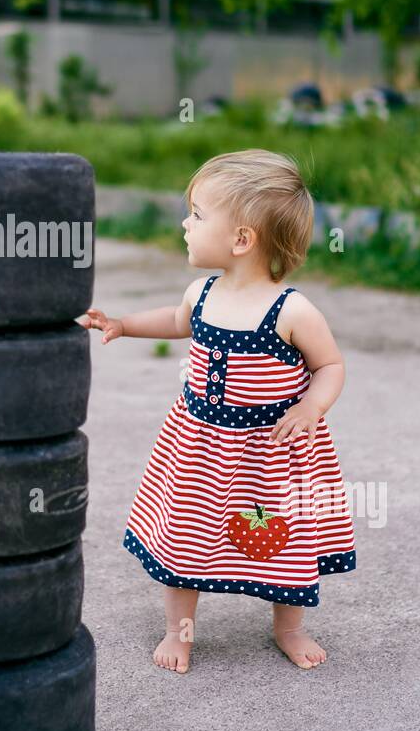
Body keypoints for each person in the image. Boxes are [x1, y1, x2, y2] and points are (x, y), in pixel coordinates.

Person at [82, 148, 355, 673]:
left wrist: (310, 407)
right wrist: (122, 323)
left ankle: (290, 628)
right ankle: (179, 632)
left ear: (242, 239)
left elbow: (331, 366)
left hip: (274, 450)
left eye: (197, 215)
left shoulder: (292, 309)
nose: (185, 223)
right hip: (201, 445)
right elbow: (175, 321)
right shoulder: (201, 292)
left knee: (286, 539)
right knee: (186, 534)